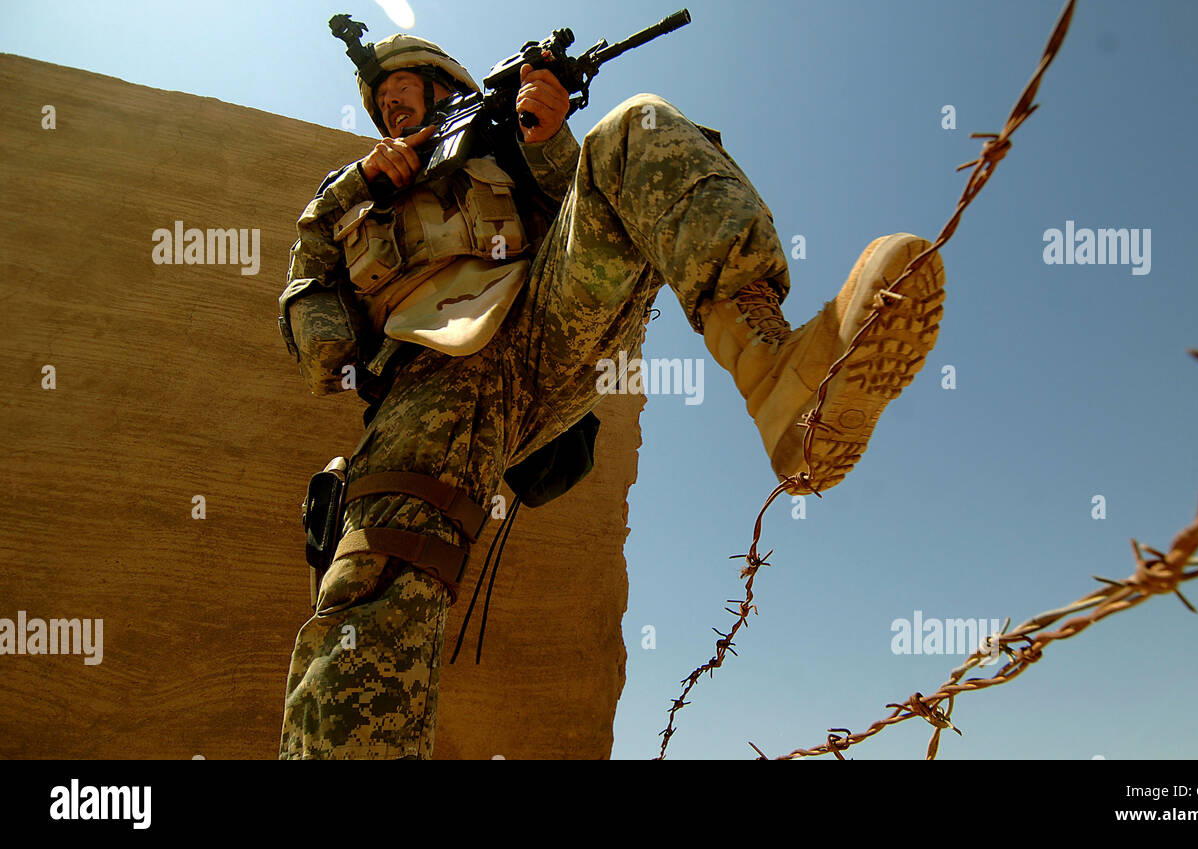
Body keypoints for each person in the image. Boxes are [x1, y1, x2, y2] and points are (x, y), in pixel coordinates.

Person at [276, 31, 946, 759]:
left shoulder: (497, 146)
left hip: (542, 330)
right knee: (377, 588)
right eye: (380, 103)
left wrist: (547, 138)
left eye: (402, 89)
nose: (390, 105)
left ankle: (778, 376)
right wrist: (359, 193)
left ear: (442, 86)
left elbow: (606, 209)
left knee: (637, 128)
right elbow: (318, 336)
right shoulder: (344, 201)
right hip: (424, 386)